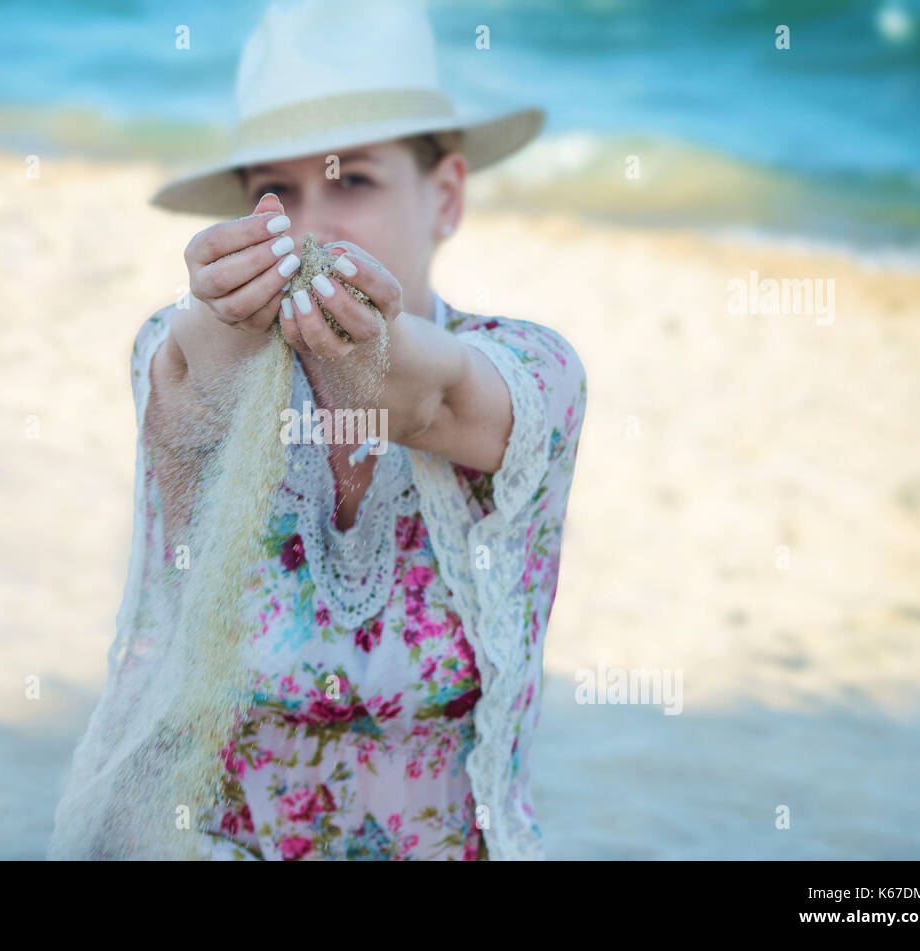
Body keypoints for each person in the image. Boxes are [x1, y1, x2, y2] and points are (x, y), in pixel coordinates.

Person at [48, 0, 587, 861]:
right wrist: (218, 314)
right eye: (278, 193)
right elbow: (185, 389)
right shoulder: (182, 351)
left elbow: (430, 398)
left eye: (354, 180)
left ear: (444, 196)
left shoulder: (532, 374)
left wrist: (359, 344)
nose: (312, 227)